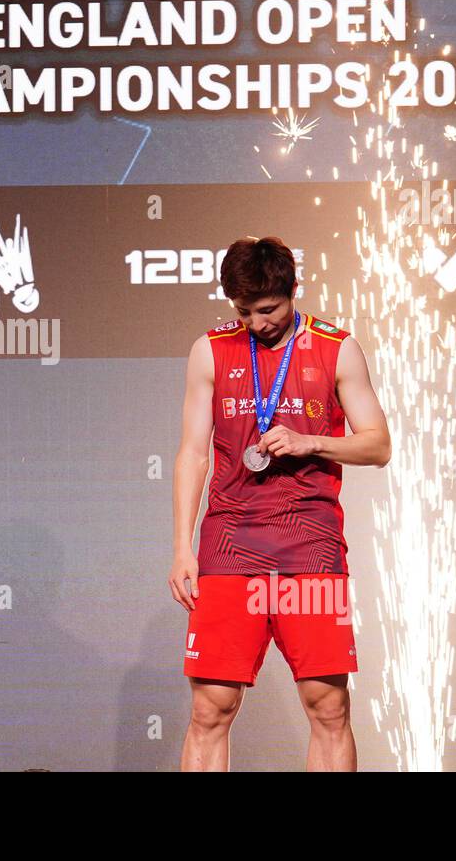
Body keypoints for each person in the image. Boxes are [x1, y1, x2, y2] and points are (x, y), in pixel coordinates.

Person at [169, 236, 390, 772]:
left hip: (310, 551)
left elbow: (378, 444)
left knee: (329, 708)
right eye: (243, 311)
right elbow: (193, 453)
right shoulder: (211, 349)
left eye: (267, 309)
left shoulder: (337, 347)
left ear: (294, 290)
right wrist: (181, 548)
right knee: (210, 710)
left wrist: (312, 442)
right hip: (228, 546)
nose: (257, 322)